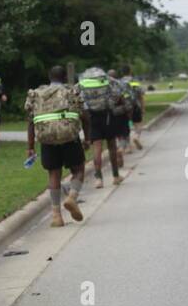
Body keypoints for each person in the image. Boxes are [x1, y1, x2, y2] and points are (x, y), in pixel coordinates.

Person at [26, 65, 88, 227]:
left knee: (54, 175)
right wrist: (87, 138)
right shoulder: (72, 91)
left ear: (49, 77)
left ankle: (56, 216)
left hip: (47, 140)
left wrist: (30, 146)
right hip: (69, 138)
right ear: (64, 78)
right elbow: (84, 116)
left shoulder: (37, 94)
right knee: (79, 169)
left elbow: (31, 122)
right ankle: (72, 197)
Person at [77, 66, 123, 188]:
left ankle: (99, 179)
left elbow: (77, 96)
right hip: (108, 116)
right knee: (112, 147)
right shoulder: (106, 79)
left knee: (97, 149)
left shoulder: (83, 82)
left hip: (92, 118)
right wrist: (111, 103)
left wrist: (87, 107)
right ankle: (116, 176)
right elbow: (118, 90)